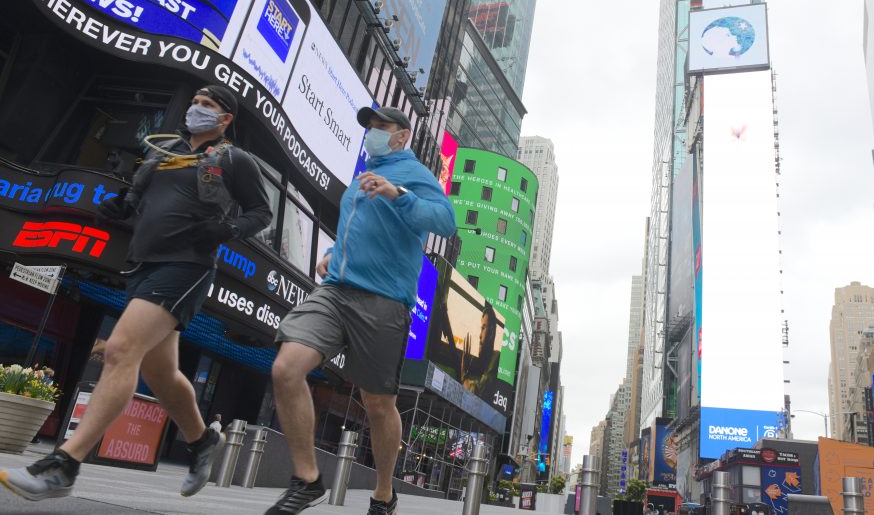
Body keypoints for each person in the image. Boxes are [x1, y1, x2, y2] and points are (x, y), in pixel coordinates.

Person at [0, 86, 271, 502]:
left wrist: (228, 229)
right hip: (142, 264)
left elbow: (261, 213)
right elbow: (134, 198)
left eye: (208, 105)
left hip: (187, 266)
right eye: (195, 101)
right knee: (162, 372)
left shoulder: (233, 159)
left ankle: (63, 466)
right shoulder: (162, 154)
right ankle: (201, 442)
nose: (197, 108)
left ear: (225, 118)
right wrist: (120, 206)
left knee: (120, 350)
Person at [264, 106, 455, 515]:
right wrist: (333, 252)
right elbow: (360, 229)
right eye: (370, 128)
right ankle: (308, 479)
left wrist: (397, 193)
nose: (372, 133)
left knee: (378, 405)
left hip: (384, 301)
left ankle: (384, 492)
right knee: (286, 367)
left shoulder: (413, 173)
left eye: (380, 128)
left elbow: (445, 221)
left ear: (401, 136)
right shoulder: (359, 178)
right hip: (336, 292)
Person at [460, 302, 500, 394]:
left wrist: (463, 375)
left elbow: (478, 391)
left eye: (483, 328)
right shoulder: (480, 360)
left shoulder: (496, 357)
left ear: (491, 332)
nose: (479, 335)